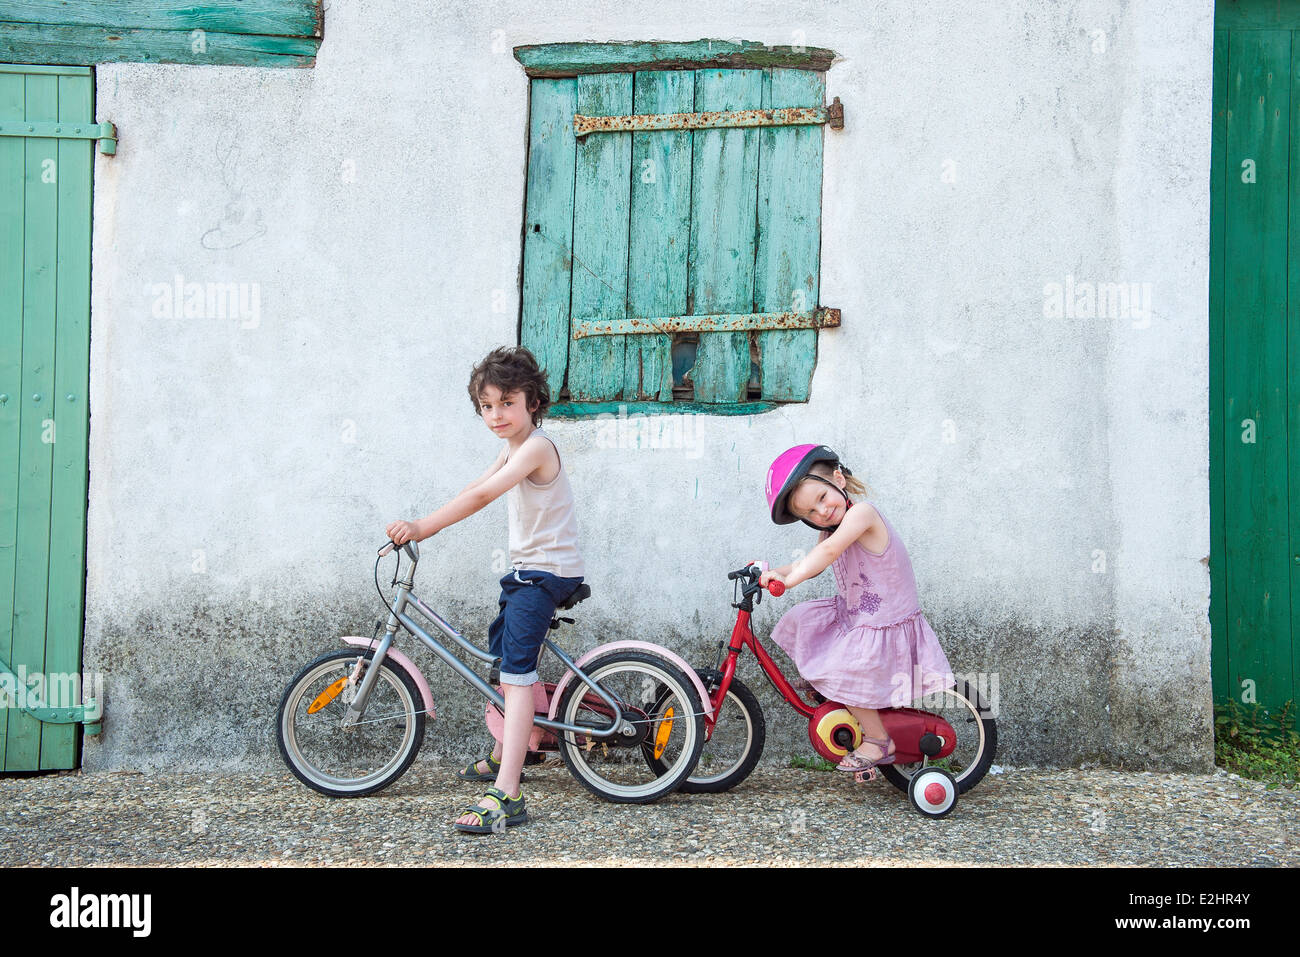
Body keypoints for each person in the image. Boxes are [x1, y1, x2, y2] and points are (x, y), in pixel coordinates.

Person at [385, 346, 585, 832]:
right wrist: (420, 518)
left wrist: (423, 527)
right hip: (527, 572)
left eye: (507, 402)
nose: (496, 414)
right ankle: (506, 753)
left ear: (533, 402)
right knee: (507, 665)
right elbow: (474, 485)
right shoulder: (512, 447)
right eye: (487, 406)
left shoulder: (537, 446)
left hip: (544, 574)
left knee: (516, 677)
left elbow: (480, 497)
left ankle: (508, 794)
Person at [759, 444, 954, 781]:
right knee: (802, 620)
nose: (821, 512)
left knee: (847, 669)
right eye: (810, 512)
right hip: (859, 617)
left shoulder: (862, 514)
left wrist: (790, 583)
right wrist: (773, 573)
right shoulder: (829, 530)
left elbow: (830, 552)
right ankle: (841, 700)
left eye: (822, 498)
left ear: (839, 479)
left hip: (883, 621)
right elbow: (812, 561)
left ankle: (878, 741)